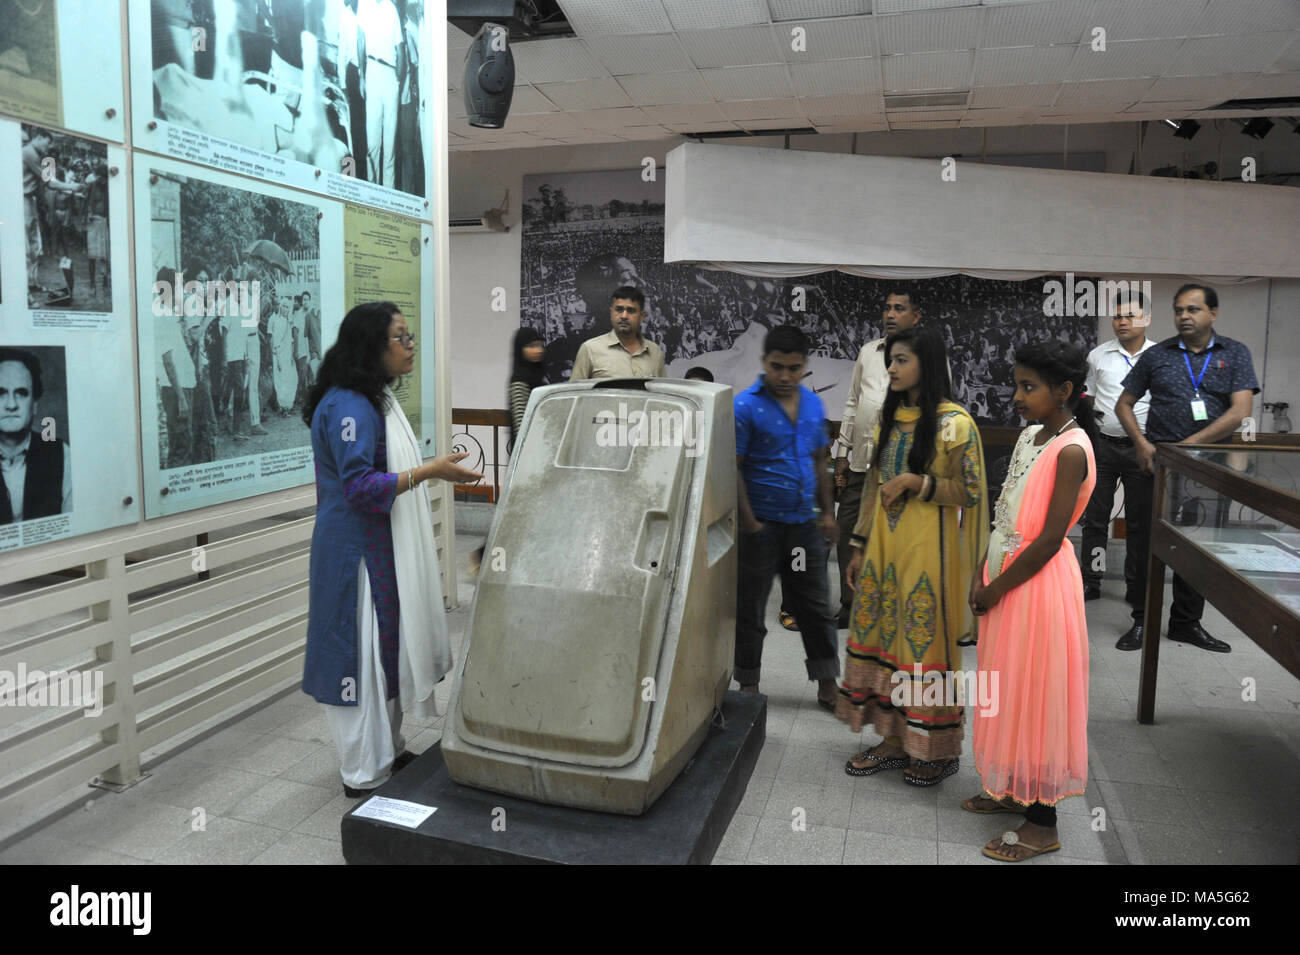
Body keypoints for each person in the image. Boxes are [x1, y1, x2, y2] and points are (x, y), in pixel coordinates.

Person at [302, 301, 481, 796]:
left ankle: (388, 749)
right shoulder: (349, 406)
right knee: (356, 660)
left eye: (410, 335)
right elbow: (359, 487)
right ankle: (362, 771)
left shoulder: (372, 398)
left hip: (377, 546)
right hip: (353, 552)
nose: (411, 345)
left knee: (386, 649)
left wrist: (428, 468)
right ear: (372, 347)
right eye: (401, 337)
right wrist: (431, 471)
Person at [965, 340, 1098, 862]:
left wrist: (996, 586)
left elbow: (1047, 539)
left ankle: (1043, 822)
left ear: (1063, 391)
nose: (1017, 396)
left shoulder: (1071, 448)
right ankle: (1010, 788)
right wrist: (984, 569)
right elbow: (1006, 515)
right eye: (1016, 384)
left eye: (1029, 387)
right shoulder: (1030, 436)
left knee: (1036, 693)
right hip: (1004, 578)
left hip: (1036, 585)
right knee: (1007, 685)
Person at [838, 326, 988, 785]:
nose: (892, 368)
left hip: (930, 554)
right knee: (886, 637)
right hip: (885, 549)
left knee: (923, 643)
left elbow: (972, 492)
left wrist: (916, 483)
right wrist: (859, 546)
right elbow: (870, 491)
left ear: (927, 364)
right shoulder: (888, 418)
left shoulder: (955, 423)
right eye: (891, 360)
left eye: (902, 360)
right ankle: (893, 738)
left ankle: (936, 748)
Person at [1114, 284, 1260, 653]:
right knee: (1147, 542)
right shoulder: (1158, 355)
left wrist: (1193, 445)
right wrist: (1142, 445)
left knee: (1198, 548)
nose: (1184, 316)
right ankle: (1142, 622)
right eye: (1179, 310)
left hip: (1208, 470)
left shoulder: (1235, 354)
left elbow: (1241, 411)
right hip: (1158, 466)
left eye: (1193, 309)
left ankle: (1186, 623)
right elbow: (1124, 404)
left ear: (1213, 313)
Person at [733, 325, 840, 709]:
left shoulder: (812, 405)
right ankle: (747, 685)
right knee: (751, 607)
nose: (784, 376)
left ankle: (827, 683)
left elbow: (819, 459)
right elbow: (734, 467)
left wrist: (828, 513)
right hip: (761, 526)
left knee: (814, 606)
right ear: (764, 362)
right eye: (777, 366)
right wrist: (749, 522)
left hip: (803, 526)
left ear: (804, 366)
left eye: (793, 368)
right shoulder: (745, 406)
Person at [833, 289, 924, 630]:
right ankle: (849, 604)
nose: (890, 314)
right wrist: (842, 452)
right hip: (861, 463)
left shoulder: (926, 357)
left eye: (899, 308)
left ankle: (893, 608)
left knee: (895, 538)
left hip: (902, 469)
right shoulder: (868, 352)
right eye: (887, 308)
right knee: (848, 532)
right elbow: (854, 402)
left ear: (915, 317)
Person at [1079, 291, 1157, 643]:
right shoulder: (1099, 355)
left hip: (1143, 451)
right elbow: (1090, 398)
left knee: (1139, 523)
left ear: (1146, 320)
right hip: (1105, 449)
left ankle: (1134, 586)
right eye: (1118, 316)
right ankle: (1090, 581)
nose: (1122, 321)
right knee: (1095, 518)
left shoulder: (1159, 357)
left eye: (1130, 316)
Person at [0, 348, 72, 524]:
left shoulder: (62, 454)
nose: (11, 405)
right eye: (0, 394)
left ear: (35, 405)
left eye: (21, 393)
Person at [570, 285, 666, 380]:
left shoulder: (655, 352)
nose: (624, 316)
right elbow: (574, 393)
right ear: (611, 313)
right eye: (619, 310)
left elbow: (661, 392)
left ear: (641, 316)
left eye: (631, 310)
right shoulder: (589, 350)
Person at [154, 268, 197, 469]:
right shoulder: (163, 317)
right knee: (181, 447)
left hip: (181, 388)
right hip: (175, 391)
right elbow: (168, 362)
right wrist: (181, 398)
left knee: (181, 444)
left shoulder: (169, 315)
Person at [358, 0, 403, 188]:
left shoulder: (391, 8)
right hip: (372, 71)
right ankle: (372, 187)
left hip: (390, 74)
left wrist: (398, 79)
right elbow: (360, 41)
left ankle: (389, 189)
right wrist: (361, 75)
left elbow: (400, 47)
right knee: (373, 139)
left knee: (389, 139)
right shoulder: (364, 5)